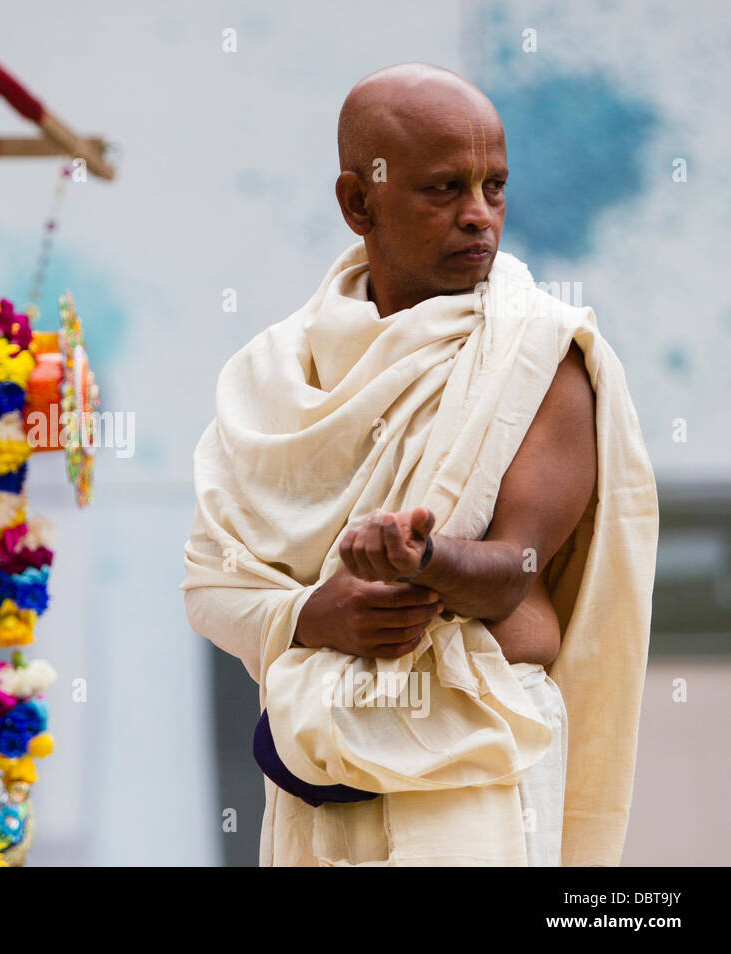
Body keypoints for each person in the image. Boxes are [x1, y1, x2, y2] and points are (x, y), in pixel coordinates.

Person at [181, 63, 659, 866]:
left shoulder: (541, 349)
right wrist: (309, 616)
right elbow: (211, 583)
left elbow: (517, 567)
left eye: (495, 186)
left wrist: (424, 560)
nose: (481, 217)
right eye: (445, 190)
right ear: (358, 202)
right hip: (321, 766)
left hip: (479, 771)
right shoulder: (270, 376)